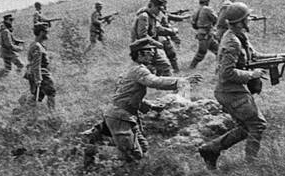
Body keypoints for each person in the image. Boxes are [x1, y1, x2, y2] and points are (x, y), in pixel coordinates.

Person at [196, 0, 285, 170]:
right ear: (240, 22)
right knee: (257, 125)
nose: (250, 20)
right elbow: (226, 73)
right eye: (247, 18)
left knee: (246, 128)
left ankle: (210, 149)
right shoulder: (232, 42)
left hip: (233, 90)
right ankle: (251, 167)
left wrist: (280, 57)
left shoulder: (240, 37)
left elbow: (254, 57)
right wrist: (252, 74)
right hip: (230, 92)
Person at [83, 37, 201, 165]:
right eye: (149, 52)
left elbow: (128, 96)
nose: (153, 54)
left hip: (125, 115)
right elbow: (155, 82)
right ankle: (93, 150)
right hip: (121, 116)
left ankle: (101, 139)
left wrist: (150, 106)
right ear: (140, 54)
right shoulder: (138, 70)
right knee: (133, 155)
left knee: (143, 147)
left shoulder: (132, 69)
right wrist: (181, 81)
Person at [131, 0, 173, 75]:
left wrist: (170, 31)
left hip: (149, 46)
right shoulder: (144, 16)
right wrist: (155, 43)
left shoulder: (151, 16)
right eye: (158, 8)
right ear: (151, 6)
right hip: (142, 48)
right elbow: (142, 35)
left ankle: (164, 85)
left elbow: (156, 30)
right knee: (148, 71)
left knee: (164, 66)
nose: (159, 11)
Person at [23, 22, 55, 110]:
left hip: (38, 74)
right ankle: (52, 114)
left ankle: (23, 112)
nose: (47, 34)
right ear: (41, 32)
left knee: (38, 96)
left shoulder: (37, 45)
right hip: (41, 74)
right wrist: (38, 79)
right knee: (51, 93)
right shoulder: (37, 46)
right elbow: (36, 64)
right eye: (46, 32)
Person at [0, 14, 25, 81]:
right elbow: (9, 45)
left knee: (7, 69)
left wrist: (18, 41)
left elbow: (11, 40)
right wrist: (19, 49)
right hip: (9, 53)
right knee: (21, 65)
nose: (11, 21)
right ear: (6, 20)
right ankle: (18, 79)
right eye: (10, 20)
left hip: (5, 52)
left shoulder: (5, 30)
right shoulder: (6, 31)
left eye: (12, 20)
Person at [189, 0, 218, 67]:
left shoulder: (197, 10)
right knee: (201, 52)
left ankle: (219, 65)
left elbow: (193, 24)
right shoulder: (207, 9)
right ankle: (191, 67)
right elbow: (215, 19)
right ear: (206, 1)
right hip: (206, 34)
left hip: (202, 34)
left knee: (218, 50)